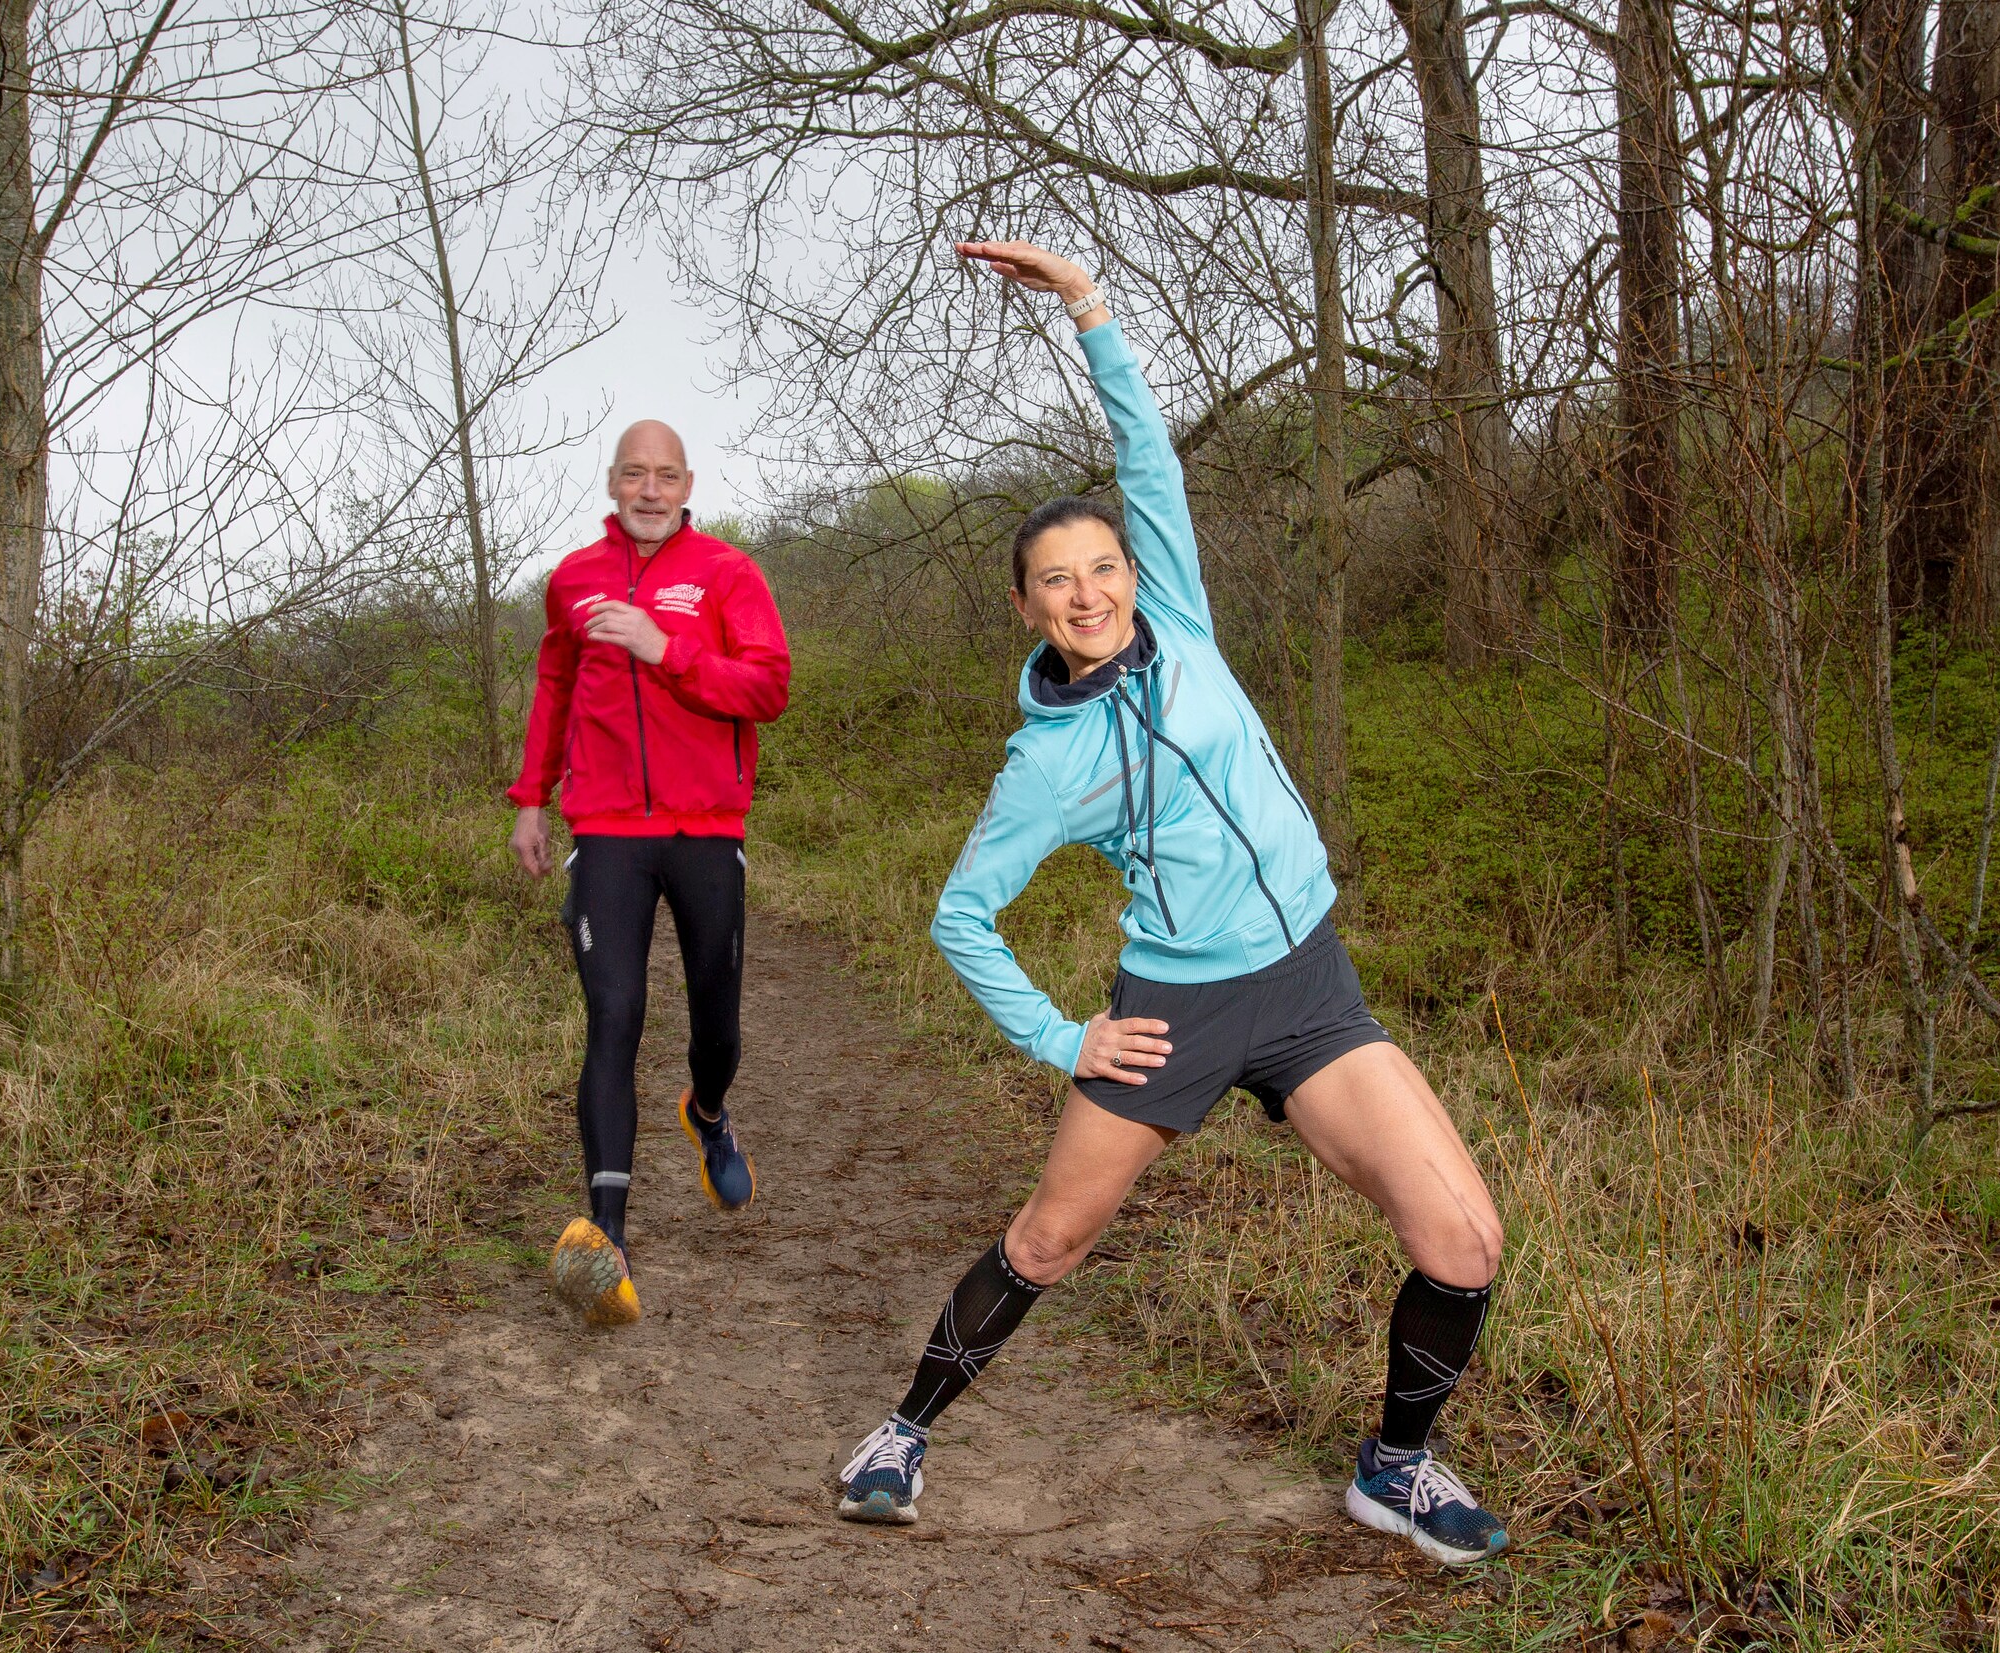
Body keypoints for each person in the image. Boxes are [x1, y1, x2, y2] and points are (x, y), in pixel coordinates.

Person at [833, 243, 1509, 1567]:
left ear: (1130, 574)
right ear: (1027, 606)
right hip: (1175, 1012)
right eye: (1058, 582)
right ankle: (900, 1434)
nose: (1089, 593)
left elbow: (1151, 456)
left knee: (1463, 1239)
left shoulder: (1184, 623)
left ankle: (1396, 1467)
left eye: (1103, 568)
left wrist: (1089, 308)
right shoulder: (1045, 762)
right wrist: (1060, 1036)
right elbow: (962, 914)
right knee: (1050, 1238)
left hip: (1309, 988)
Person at [508, 420, 792, 1328]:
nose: (650, 488)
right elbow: (554, 686)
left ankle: (707, 1111)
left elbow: (769, 687)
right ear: (613, 480)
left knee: (719, 1024)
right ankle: (608, 1238)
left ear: (687, 482)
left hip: (706, 826)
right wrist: (530, 798)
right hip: (606, 829)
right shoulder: (572, 581)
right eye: (635, 473)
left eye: (665, 475)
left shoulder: (727, 573)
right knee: (614, 1013)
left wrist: (665, 650)